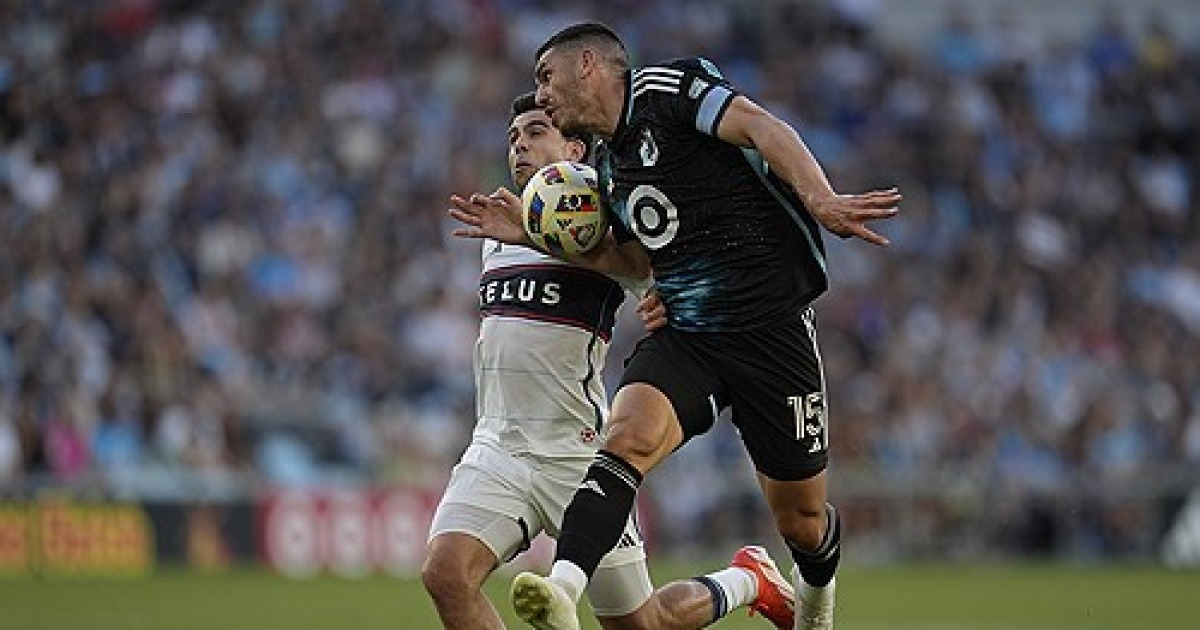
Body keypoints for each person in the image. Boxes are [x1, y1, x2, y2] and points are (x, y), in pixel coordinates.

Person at [449, 23, 902, 630]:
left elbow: (764, 128)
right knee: (626, 438)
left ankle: (813, 604)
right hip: (690, 334)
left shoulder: (666, 88)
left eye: (546, 79)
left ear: (587, 65)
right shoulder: (604, 170)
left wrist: (819, 197)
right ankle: (561, 587)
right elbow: (632, 261)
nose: (543, 95)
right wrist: (535, 233)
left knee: (802, 521)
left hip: (773, 335)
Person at [425, 92, 796, 630]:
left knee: (642, 624)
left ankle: (749, 579)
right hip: (498, 444)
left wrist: (663, 292)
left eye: (534, 132)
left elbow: (658, 264)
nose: (519, 147)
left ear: (575, 147)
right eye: (513, 139)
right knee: (445, 573)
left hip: (577, 454)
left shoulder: (602, 214)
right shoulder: (499, 224)